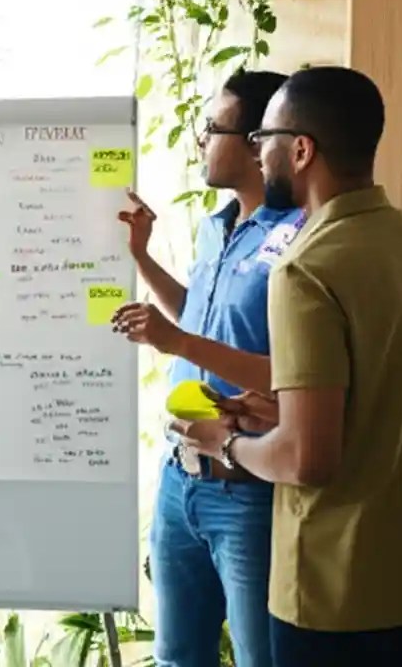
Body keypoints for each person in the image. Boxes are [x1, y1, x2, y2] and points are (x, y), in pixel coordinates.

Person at [173, 66, 402, 667]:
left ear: (300, 149)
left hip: (333, 578)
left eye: (265, 140)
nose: (259, 153)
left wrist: (224, 440)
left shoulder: (305, 267)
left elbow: (307, 459)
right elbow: (385, 393)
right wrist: (278, 411)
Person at [112, 70, 298, 667]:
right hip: (179, 481)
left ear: (255, 143)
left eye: (212, 128)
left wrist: (175, 343)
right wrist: (140, 257)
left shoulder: (298, 239)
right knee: (176, 658)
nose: (201, 140)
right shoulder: (214, 227)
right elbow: (196, 316)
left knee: (259, 658)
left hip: (247, 490)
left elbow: (292, 371)